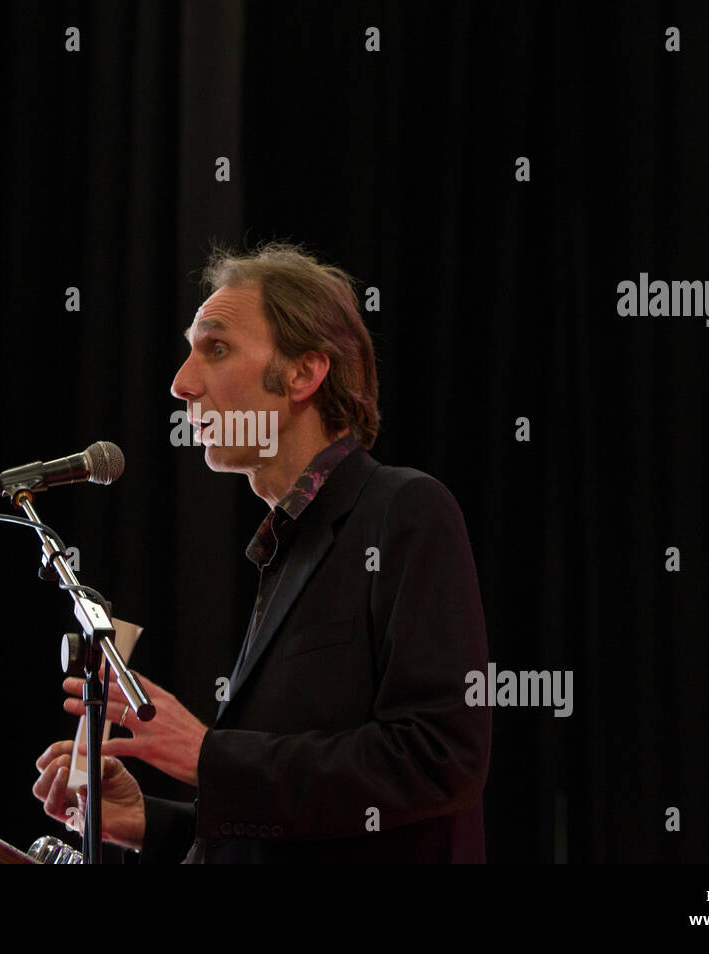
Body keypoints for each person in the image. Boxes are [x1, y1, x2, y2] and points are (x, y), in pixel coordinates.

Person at [33, 242, 490, 862]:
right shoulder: (288, 543)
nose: (181, 383)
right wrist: (148, 820)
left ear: (304, 373)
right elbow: (287, 829)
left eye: (215, 348)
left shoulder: (404, 509)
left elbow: (440, 758)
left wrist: (206, 757)